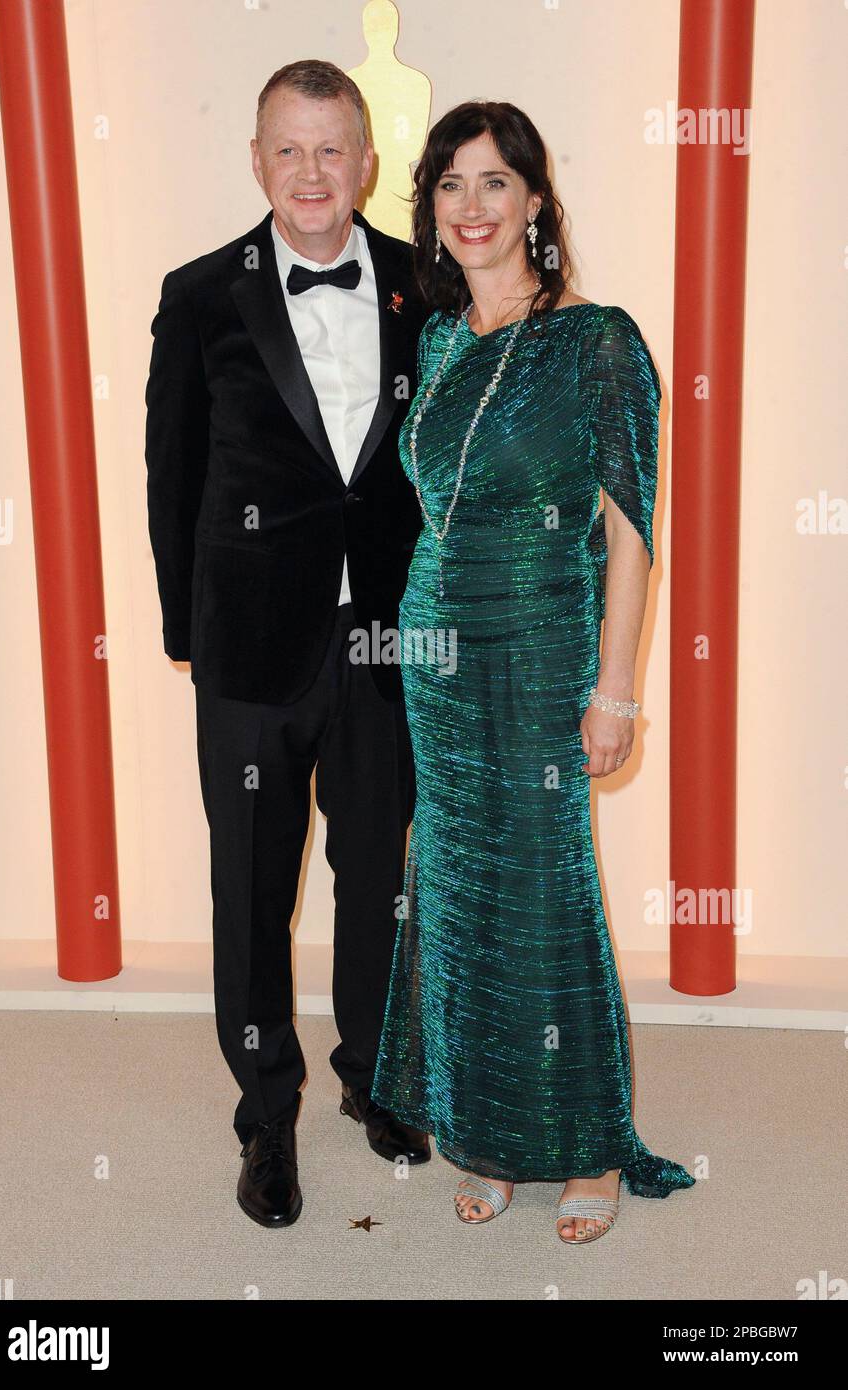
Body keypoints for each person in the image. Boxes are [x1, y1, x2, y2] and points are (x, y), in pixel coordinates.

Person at [370, 100, 696, 1243]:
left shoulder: (595, 337)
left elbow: (629, 530)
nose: (471, 206)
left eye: (493, 183)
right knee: (457, 895)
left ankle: (587, 1145)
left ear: (534, 202)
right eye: (450, 185)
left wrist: (614, 690)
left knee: (547, 894)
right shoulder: (438, 342)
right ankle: (491, 1132)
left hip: (546, 646)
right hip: (438, 652)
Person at [144, 59, 431, 1229]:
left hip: (388, 642)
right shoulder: (202, 292)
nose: (311, 172)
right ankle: (267, 1117)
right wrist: (188, 639)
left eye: (333, 150)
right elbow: (173, 479)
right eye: (288, 149)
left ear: (367, 165)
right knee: (252, 887)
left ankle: (374, 1069)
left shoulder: (431, 287)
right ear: (255, 160)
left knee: (379, 875)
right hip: (253, 652)